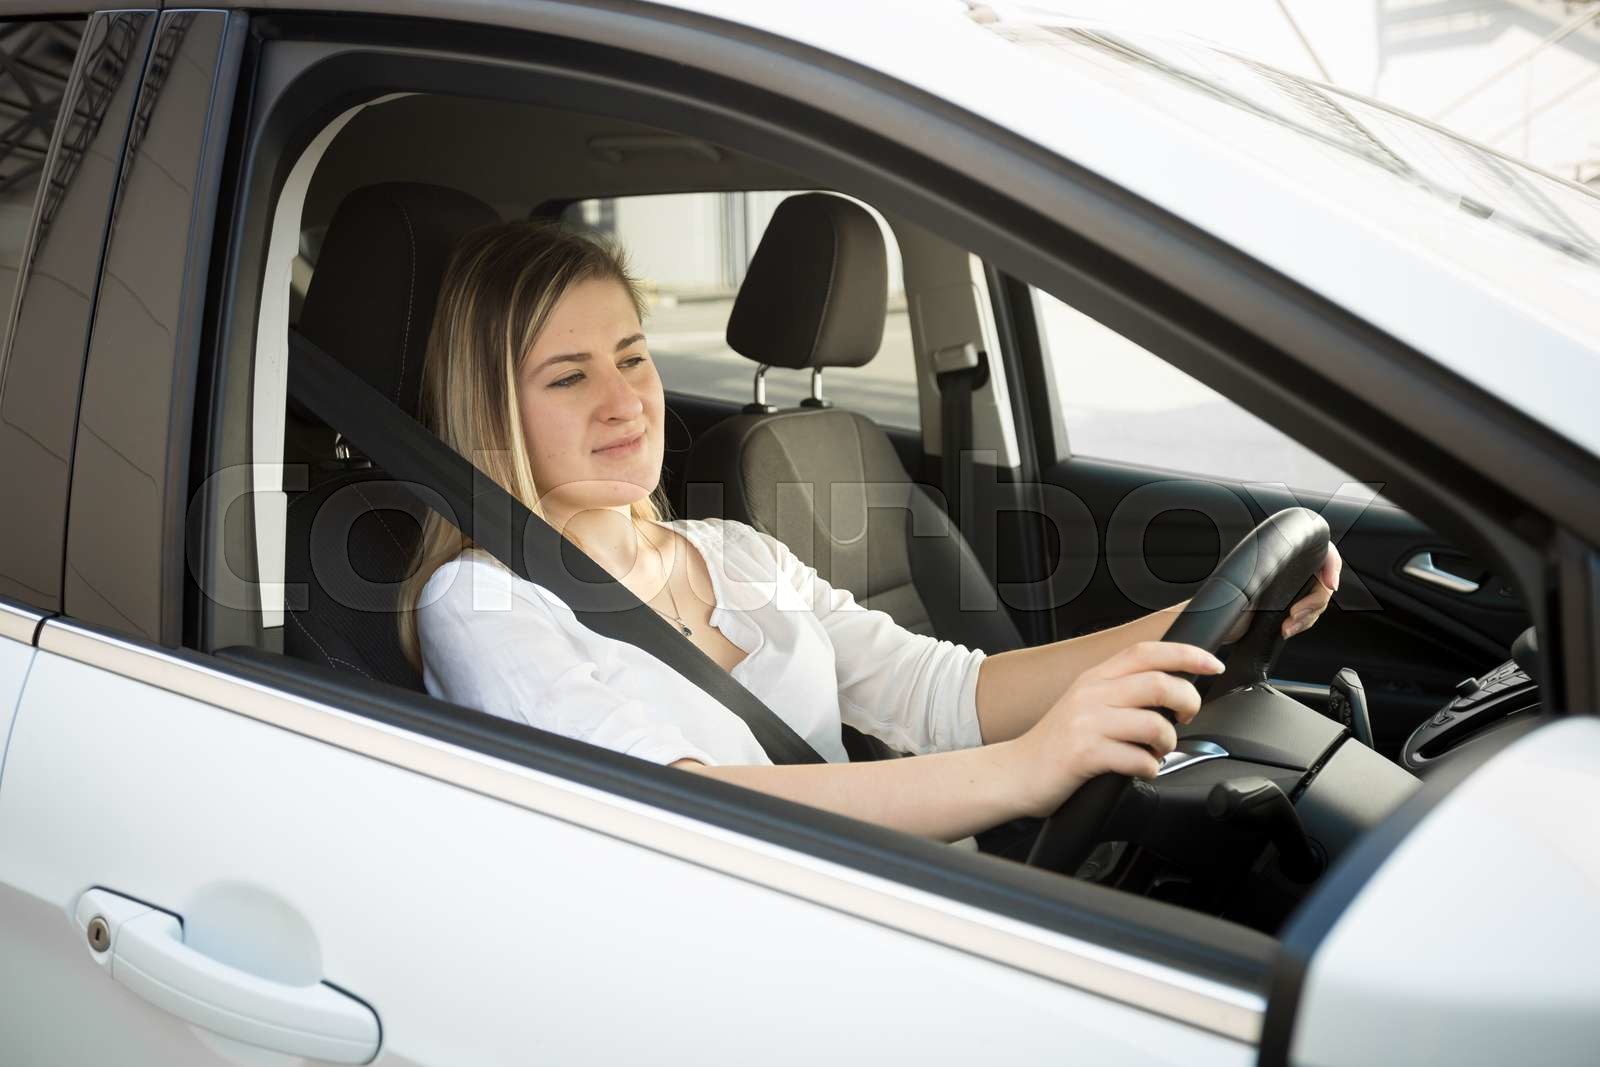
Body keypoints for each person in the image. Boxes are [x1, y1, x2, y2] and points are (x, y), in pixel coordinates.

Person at [400, 220, 1339, 845]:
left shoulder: (734, 550)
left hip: (889, 895)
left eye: (633, 358)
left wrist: (1205, 619)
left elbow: (943, 691)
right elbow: (681, 805)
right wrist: (1026, 771)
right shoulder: (480, 601)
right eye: (569, 376)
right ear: (492, 407)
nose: (625, 402)